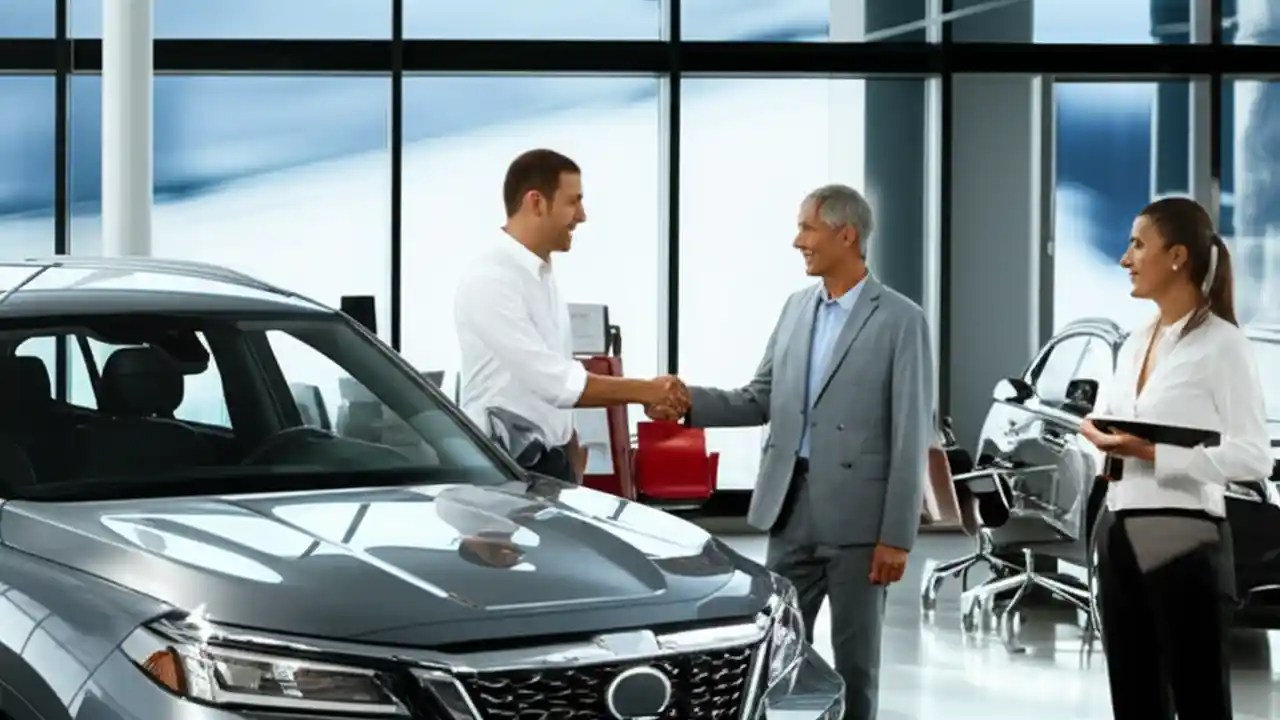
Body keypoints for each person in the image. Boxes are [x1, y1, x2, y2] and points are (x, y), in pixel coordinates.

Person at [650, 184, 933, 720]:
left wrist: (896, 537)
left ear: (846, 235)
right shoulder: (796, 308)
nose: (797, 241)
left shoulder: (901, 319)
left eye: (807, 228)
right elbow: (759, 397)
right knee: (773, 655)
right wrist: (686, 404)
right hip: (789, 509)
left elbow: (910, 433)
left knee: (855, 664)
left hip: (859, 523)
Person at [1079, 196, 1271, 720]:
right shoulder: (1135, 342)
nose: (1125, 259)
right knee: (1133, 699)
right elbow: (1114, 423)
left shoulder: (1223, 345)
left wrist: (1154, 454)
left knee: (1198, 698)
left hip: (1184, 535)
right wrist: (1096, 434)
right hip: (1118, 527)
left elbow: (1254, 457)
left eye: (1138, 245)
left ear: (1177, 256)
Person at [454, 148, 688, 483]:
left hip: (544, 465)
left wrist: (569, 449)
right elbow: (553, 381)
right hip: (501, 470)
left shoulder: (539, 275)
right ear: (536, 202)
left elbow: (551, 377)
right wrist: (647, 391)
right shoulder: (491, 278)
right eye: (573, 202)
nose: (582, 216)